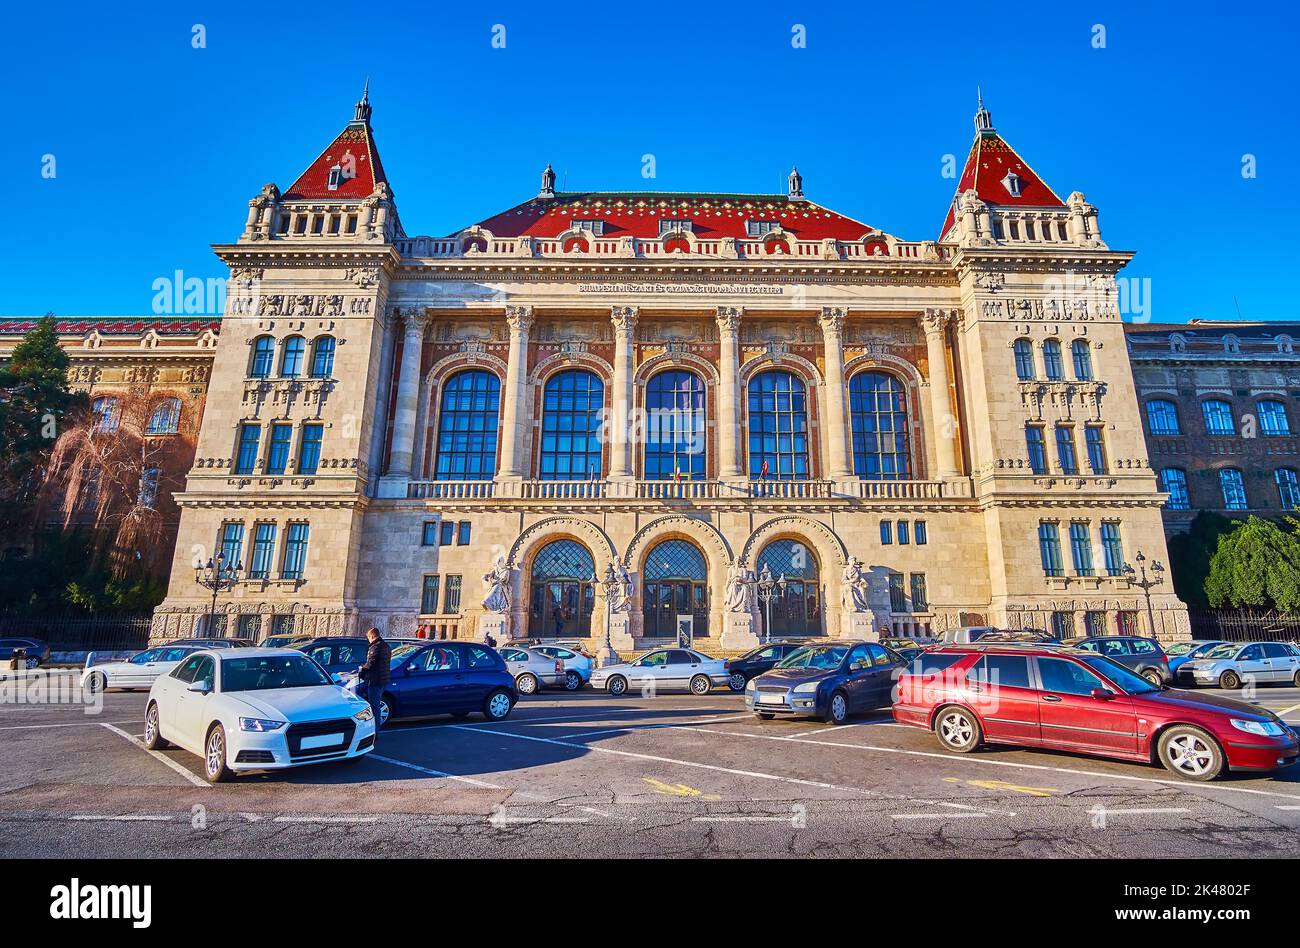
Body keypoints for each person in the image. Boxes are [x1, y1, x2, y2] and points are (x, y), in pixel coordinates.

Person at [357, 627, 391, 729]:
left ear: (371, 636)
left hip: (375, 680)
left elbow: (370, 663)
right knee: (377, 705)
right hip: (383, 680)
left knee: (374, 707)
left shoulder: (376, 647)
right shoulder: (386, 645)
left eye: (368, 637)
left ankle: (374, 731)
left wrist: (361, 669)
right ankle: (375, 729)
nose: (368, 640)